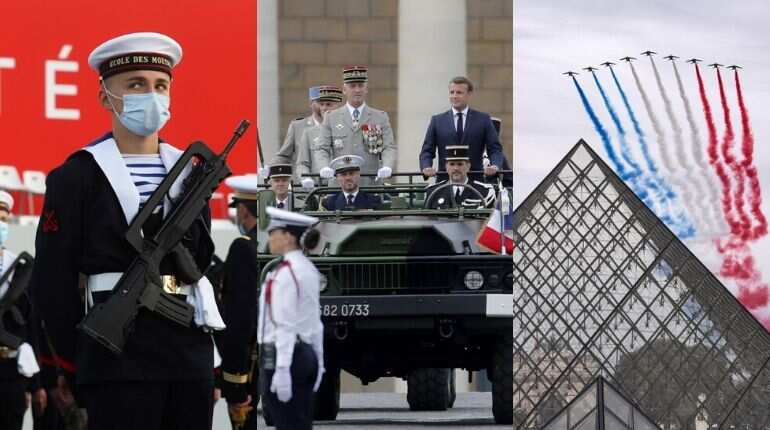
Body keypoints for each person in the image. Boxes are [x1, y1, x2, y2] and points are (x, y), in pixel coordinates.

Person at [30, 32, 224, 430]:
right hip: (117, 359)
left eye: (160, 86)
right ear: (106, 97)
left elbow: (202, 262)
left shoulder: (189, 172)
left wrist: (212, 362)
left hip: (188, 356)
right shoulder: (76, 175)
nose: (150, 96)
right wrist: (75, 359)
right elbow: (51, 282)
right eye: (135, 84)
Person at [257, 207, 324, 430]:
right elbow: (316, 324)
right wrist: (319, 361)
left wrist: (282, 368)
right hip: (305, 354)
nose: (270, 237)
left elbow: (284, 325)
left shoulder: (285, 274)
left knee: (288, 423)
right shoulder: (308, 269)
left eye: (274, 231)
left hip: (285, 355)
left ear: (288, 237)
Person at [219, 175, 261, 429]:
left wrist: (235, 383)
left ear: (243, 210)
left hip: (250, 371)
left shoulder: (243, 248)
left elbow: (240, 318)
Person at [0, 190, 42, 430]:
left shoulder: (21, 268)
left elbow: (30, 325)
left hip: (10, 372)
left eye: (4, 220)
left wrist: (34, 385)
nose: (0, 225)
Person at [318, 66, 396, 185]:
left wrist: (387, 166)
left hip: (370, 182)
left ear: (366, 89)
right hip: (340, 183)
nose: (357, 90)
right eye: (352, 86)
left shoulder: (380, 117)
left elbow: (388, 147)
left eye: (360, 86)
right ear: (344, 89)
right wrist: (323, 166)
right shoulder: (331, 117)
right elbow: (322, 148)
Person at [420, 76, 504, 180]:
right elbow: (427, 150)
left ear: (469, 94)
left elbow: (495, 148)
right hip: (445, 183)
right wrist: (426, 167)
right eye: (452, 92)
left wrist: (495, 166)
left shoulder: (483, 120)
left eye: (459, 93)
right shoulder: (437, 121)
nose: (454, 96)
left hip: (475, 183)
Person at [295, 85, 343, 188]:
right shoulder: (309, 133)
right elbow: (302, 163)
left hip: (344, 187)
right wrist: (306, 178)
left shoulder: (348, 129)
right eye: (321, 104)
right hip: (319, 188)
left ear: (338, 106)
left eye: (329, 104)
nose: (324, 108)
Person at [271, 86, 327, 171]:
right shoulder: (298, 127)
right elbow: (284, 155)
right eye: (320, 102)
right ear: (311, 103)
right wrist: (269, 168)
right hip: (304, 180)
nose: (324, 107)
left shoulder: (339, 125)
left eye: (328, 103)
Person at [425, 146, 495, 209]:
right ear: (446, 167)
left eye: (460, 164)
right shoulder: (434, 192)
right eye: (452, 164)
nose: (456, 168)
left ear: (468, 166)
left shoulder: (484, 192)